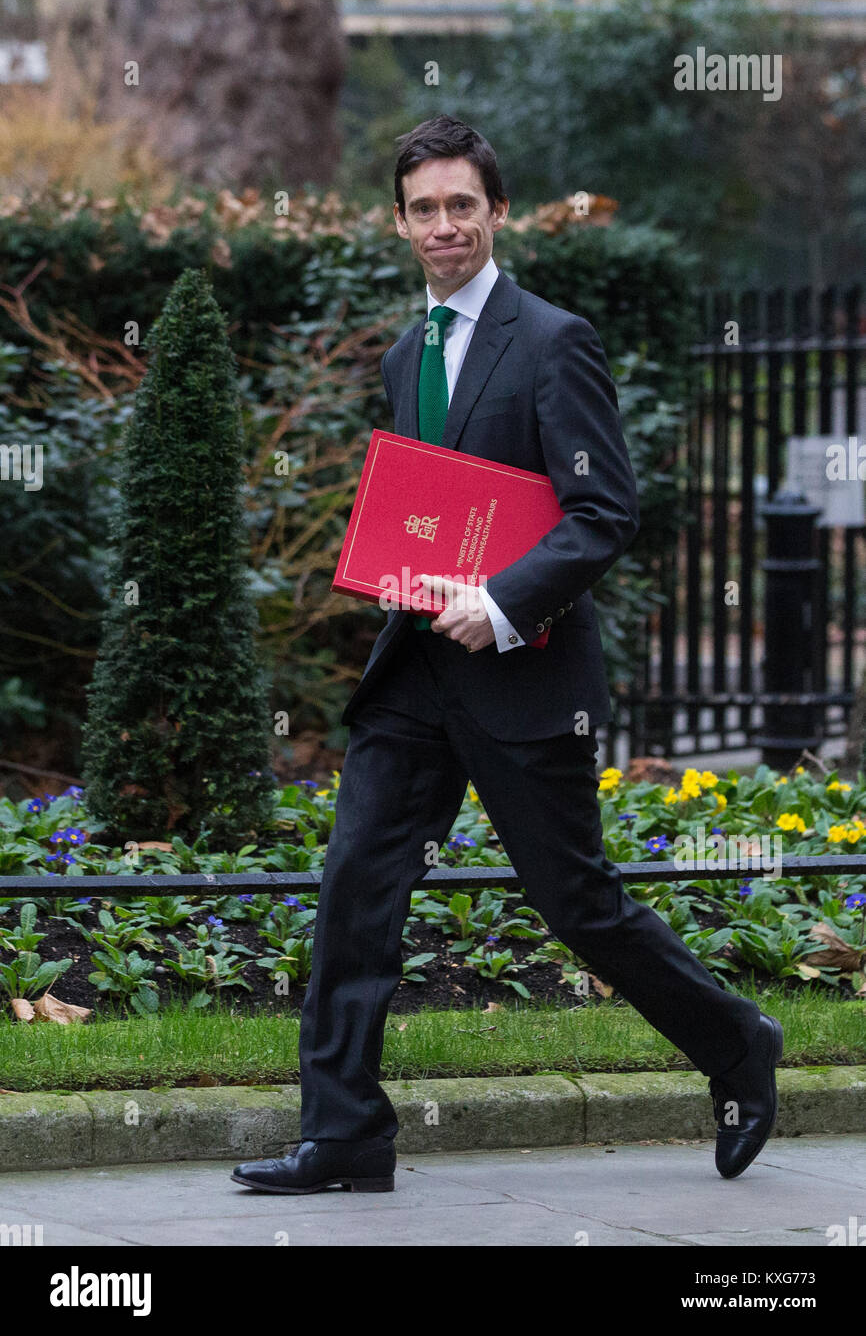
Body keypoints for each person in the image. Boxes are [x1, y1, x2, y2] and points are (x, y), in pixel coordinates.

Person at [232, 114, 782, 1196]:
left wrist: (500, 602)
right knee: (354, 889)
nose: (444, 226)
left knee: (575, 902)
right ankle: (343, 1134)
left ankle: (734, 1044)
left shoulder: (551, 339)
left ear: (495, 213)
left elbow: (600, 511)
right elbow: (435, 514)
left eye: (461, 205)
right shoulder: (406, 354)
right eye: (423, 209)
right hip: (414, 677)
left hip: (522, 675)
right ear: (399, 222)